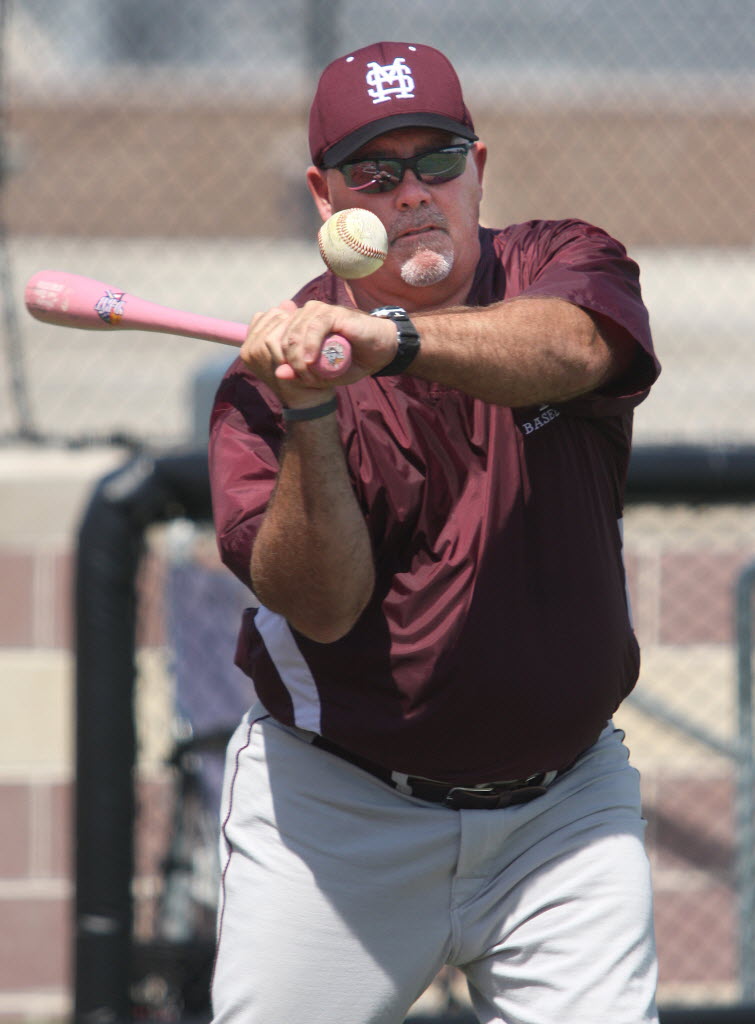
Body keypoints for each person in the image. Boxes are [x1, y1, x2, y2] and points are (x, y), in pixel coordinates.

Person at [208, 40, 661, 1024]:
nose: (411, 193)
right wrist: (312, 412)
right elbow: (320, 606)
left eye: (436, 161)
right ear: (325, 199)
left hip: (562, 813)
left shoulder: (558, 262)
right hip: (338, 817)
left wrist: (394, 339)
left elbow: (571, 346)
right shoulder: (267, 380)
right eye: (375, 170)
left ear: (478, 169)